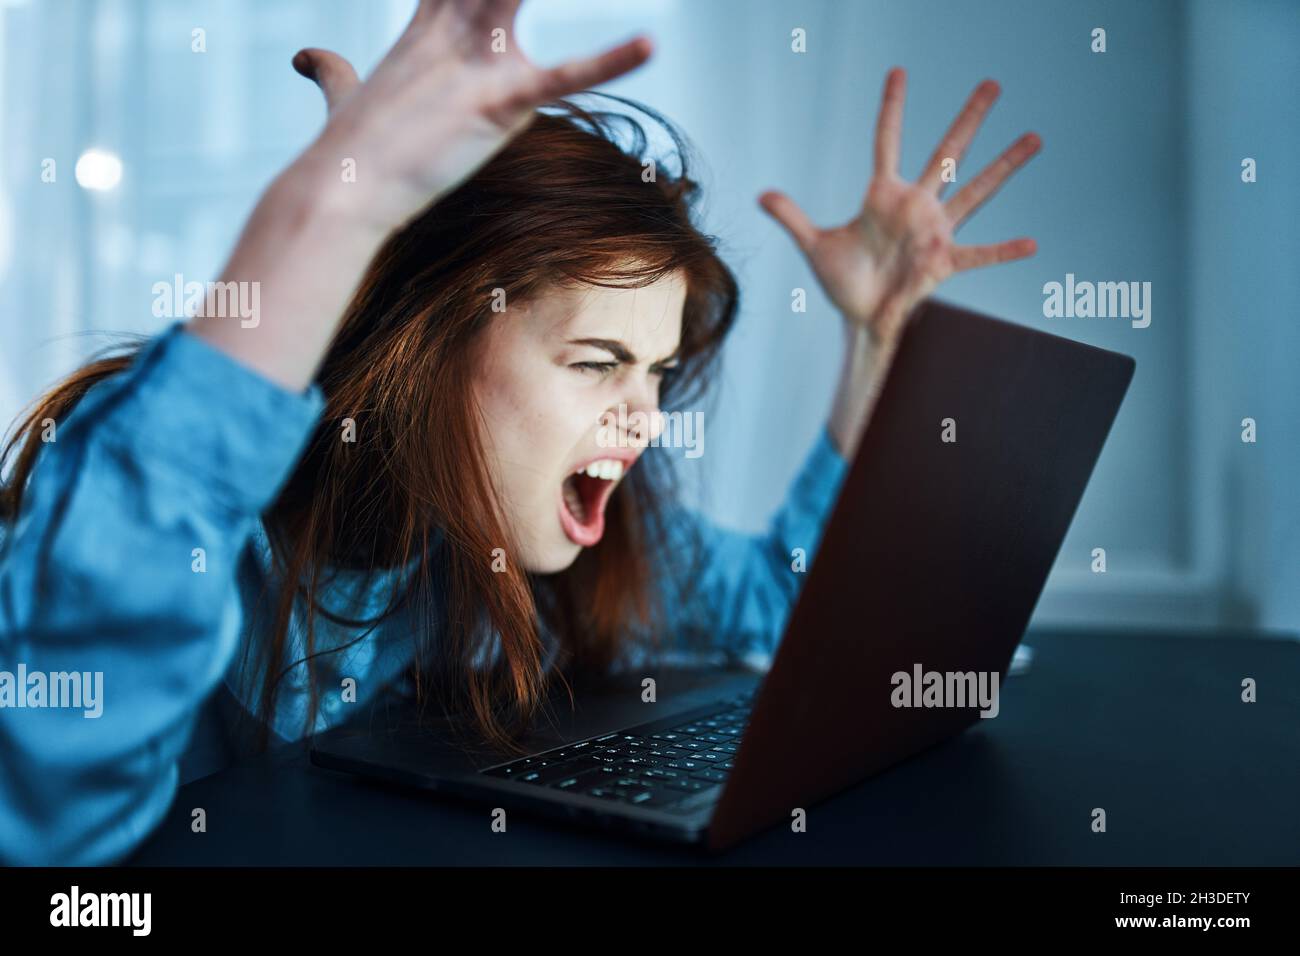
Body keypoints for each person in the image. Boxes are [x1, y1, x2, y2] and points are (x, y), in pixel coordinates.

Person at [0, 0, 1040, 865]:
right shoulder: (186, 526)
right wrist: (329, 215)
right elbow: (46, 811)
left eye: (658, 371)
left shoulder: (571, 528)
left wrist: (874, 344)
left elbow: (773, 608)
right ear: (431, 346)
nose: (644, 418)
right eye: (595, 361)